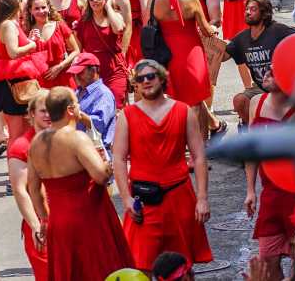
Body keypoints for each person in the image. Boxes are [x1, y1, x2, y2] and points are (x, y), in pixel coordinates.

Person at [113, 60, 213, 270]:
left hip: (179, 198)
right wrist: (125, 198)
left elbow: (200, 156)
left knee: (182, 267)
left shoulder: (183, 111)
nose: (146, 81)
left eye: (151, 76)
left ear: (162, 79)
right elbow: (119, 159)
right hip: (144, 202)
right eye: (140, 79)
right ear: (136, 85)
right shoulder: (127, 115)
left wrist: (202, 199)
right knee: (141, 267)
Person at [29, 87, 133, 279]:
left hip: (58, 221)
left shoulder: (36, 143)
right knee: (101, 271)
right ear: (70, 110)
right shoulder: (76, 138)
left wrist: (45, 218)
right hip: (89, 218)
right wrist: (109, 163)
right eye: (77, 104)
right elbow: (101, 176)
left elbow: (34, 190)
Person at [243, 72, 295, 267]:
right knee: (267, 263)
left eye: (276, 70)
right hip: (270, 196)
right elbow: (252, 150)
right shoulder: (256, 103)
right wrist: (251, 190)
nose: (267, 72)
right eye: (268, 68)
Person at [155, 0, 225, 134]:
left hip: (168, 54)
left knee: (180, 97)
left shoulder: (156, 1)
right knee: (196, 98)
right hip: (191, 53)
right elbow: (207, 31)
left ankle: (213, 126)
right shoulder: (191, 0)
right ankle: (200, 144)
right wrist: (214, 28)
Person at [226, 0, 295, 126]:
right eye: (247, 9)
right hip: (260, 86)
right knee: (239, 100)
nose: (248, 12)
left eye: (253, 9)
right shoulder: (242, 38)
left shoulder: (278, 31)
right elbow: (222, 54)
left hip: (281, 85)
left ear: (264, 13)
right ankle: (250, 129)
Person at [6, 90, 52, 280]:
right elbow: (20, 191)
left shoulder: (68, 138)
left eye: (52, 110)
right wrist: (35, 226)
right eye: (43, 111)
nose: (48, 115)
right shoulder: (22, 146)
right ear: (31, 114)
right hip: (43, 224)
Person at [0, 0, 42, 144]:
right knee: (17, 134)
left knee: (26, 132)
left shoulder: (10, 24)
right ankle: (16, 165)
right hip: (12, 85)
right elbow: (13, 52)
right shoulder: (9, 25)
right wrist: (32, 44)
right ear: (15, 6)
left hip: (17, 82)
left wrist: (29, 40)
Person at [26, 0, 81, 90]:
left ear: (48, 7)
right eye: (36, 8)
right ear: (30, 10)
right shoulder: (27, 31)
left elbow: (76, 51)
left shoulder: (59, 25)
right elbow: (24, 59)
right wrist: (29, 41)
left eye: (43, 7)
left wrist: (60, 66)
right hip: (40, 83)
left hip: (63, 78)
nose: (41, 11)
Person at [70, 52, 117, 149]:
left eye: (80, 72)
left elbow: (99, 124)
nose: (76, 76)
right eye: (74, 73)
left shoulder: (103, 94)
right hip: (79, 149)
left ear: (93, 71)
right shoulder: (77, 92)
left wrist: (77, 113)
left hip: (97, 151)